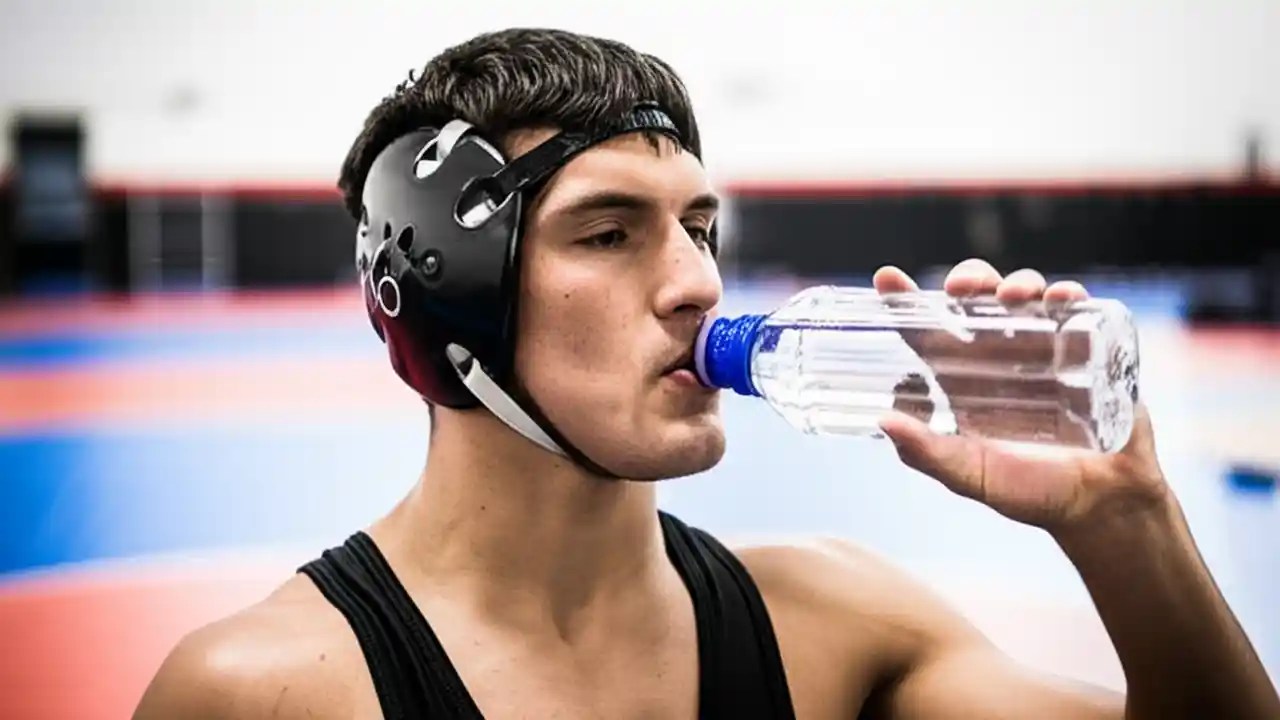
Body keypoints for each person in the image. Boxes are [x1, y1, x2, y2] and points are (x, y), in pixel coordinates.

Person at [134, 28, 1279, 719]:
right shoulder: (265, 692)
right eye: (608, 233)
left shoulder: (834, 625)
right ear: (444, 299)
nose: (696, 284)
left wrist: (1123, 522)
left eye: (698, 228)